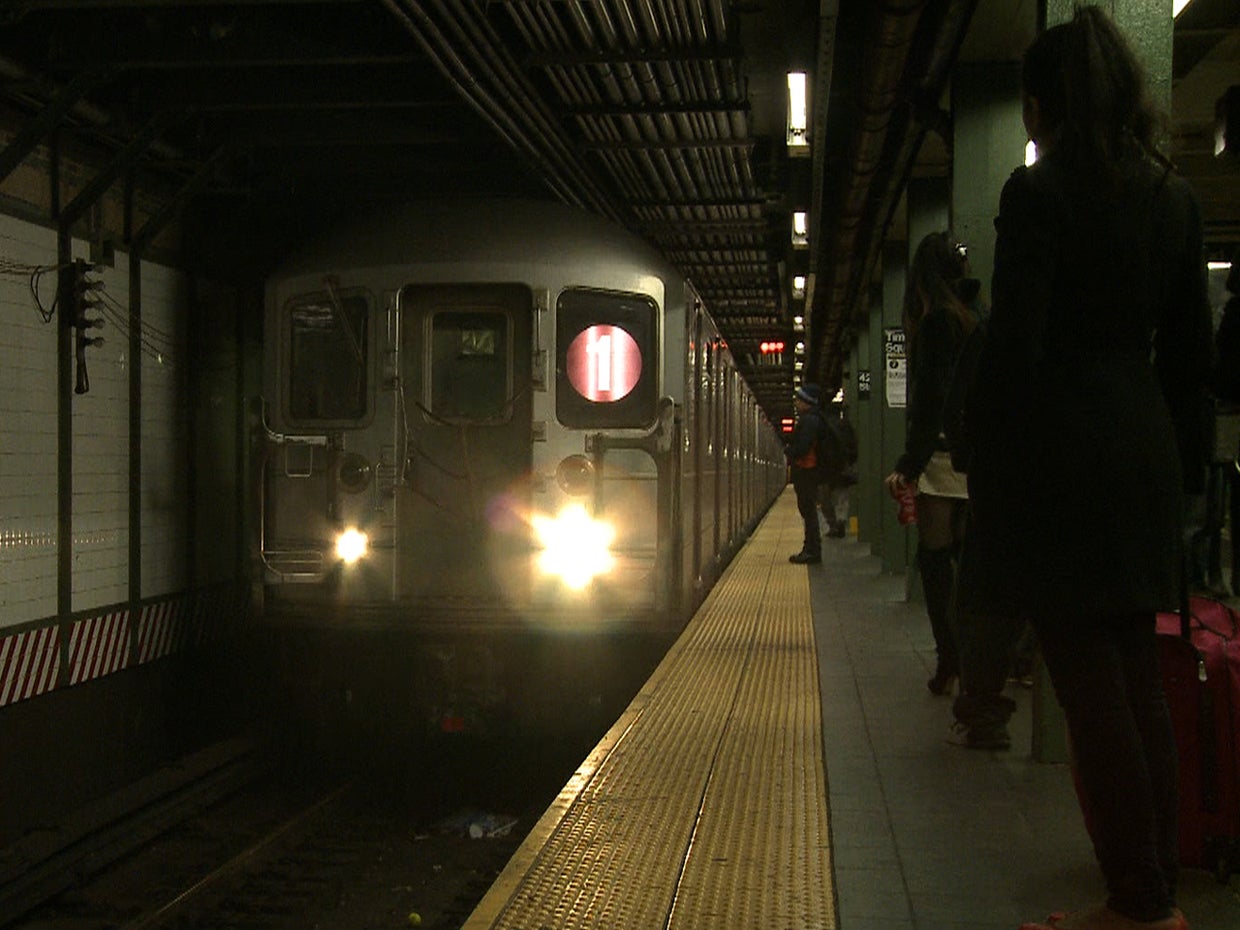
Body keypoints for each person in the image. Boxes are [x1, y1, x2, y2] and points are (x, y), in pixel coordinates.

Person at [959, 8, 1214, 929]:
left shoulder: (1043, 193)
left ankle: (1135, 902)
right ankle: (1156, 898)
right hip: (1142, 442)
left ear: (1047, 103)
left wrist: (989, 460)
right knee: (1137, 677)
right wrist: (1182, 479)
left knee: (1089, 681)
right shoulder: (1173, 196)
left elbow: (1018, 348)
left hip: (1064, 451)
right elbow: (1192, 358)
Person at [884, 231, 980, 695]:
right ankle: (980, 662)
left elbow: (931, 399)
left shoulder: (937, 324)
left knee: (935, 561)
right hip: (977, 456)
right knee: (970, 564)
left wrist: (909, 463)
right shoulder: (973, 318)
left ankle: (951, 660)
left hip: (944, 459)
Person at [786, 383, 827, 564]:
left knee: (808, 512)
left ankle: (811, 551)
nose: (796, 403)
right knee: (808, 512)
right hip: (809, 470)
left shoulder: (809, 420)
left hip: (807, 471)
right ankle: (811, 549)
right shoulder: (814, 419)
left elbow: (803, 447)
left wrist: (790, 450)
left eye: (799, 399)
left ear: (807, 402)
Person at [818, 402, 859, 538]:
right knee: (842, 497)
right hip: (843, 468)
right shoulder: (846, 426)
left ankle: (833, 525)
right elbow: (854, 447)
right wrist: (849, 462)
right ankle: (841, 521)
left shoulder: (824, 427)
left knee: (826, 499)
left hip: (826, 470)